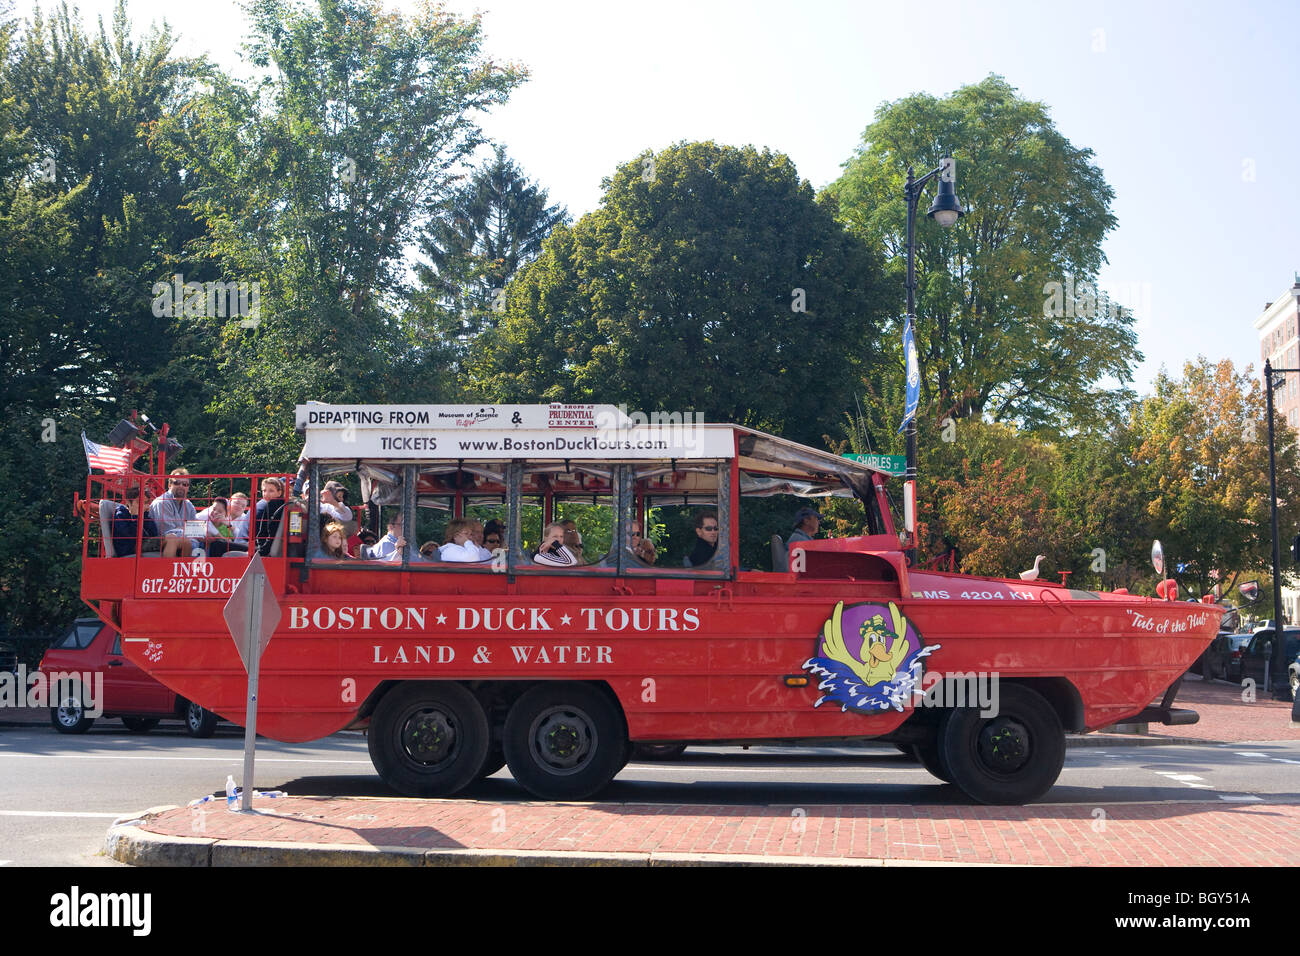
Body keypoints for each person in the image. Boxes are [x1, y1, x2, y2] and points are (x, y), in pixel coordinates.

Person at [150, 469, 199, 558]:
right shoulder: (162, 502)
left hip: (185, 541)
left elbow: (197, 531)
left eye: (185, 484)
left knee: (213, 544)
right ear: (169, 485)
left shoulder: (189, 505)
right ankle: (169, 569)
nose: (181, 486)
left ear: (188, 487)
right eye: (176, 483)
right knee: (177, 539)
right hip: (160, 540)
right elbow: (167, 531)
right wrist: (189, 529)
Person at [111, 485, 158, 557]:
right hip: (129, 548)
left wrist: (145, 515)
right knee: (171, 541)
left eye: (145, 503)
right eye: (139, 502)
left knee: (173, 539)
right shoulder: (120, 516)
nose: (143, 506)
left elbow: (154, 534)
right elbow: (132, 537)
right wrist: (136, 516)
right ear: (128, 503)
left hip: (142, 544)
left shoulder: (145, 516)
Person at [254, 477, 287, 556]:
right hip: (265, 547)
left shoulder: (273, 504)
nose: (266, 494)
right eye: (264, 490)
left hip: (265, 550)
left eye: (271, 491)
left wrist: (259, 552)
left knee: (220, 545)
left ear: (279, 493)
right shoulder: (281, 504)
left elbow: (271, 533)